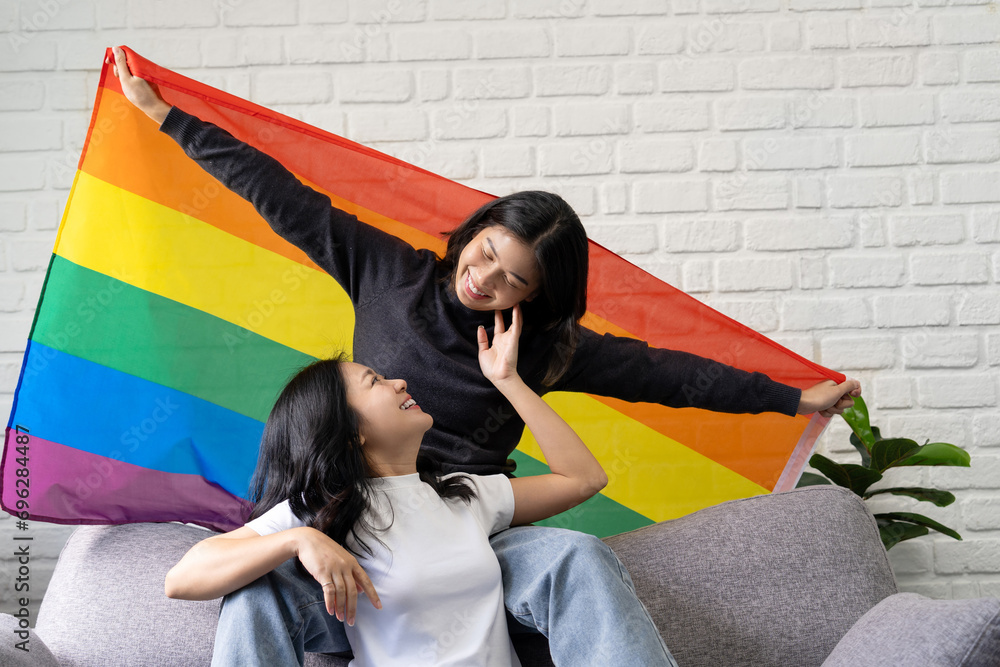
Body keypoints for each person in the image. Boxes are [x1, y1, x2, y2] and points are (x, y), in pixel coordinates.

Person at [110, 46, 860, 665]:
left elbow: (666, 375)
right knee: (257, 586)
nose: (487, 276)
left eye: (514, 278)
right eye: (487, 250)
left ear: (532, 296)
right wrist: (169, 119)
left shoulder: (541, 352)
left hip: (469, 522)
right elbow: (282, 197)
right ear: (474, 230)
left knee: (573, 556)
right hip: (359, 513)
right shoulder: (386, 271)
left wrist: (792, 398)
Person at [165, 305, 676, 665]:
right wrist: (297, 539)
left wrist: (509, 380)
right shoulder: (321, 513)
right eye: (375, 382)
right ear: (352, 432)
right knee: (253, 592)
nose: (400, 383)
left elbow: (583, 479)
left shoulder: (461, 493)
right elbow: (182, 579)